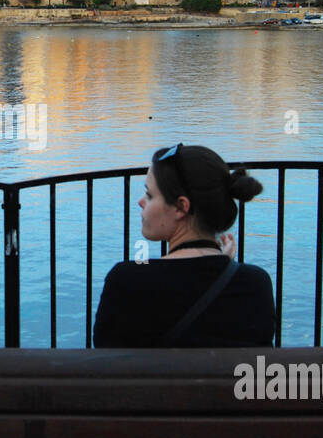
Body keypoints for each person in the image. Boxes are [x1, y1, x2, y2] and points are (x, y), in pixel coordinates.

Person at [93, 144, 275, 347]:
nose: (140, 202)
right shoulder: (255, 284)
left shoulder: (125, 281)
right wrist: (222, 265)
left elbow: (104, 361)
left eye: (150, 195)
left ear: (181, 207)